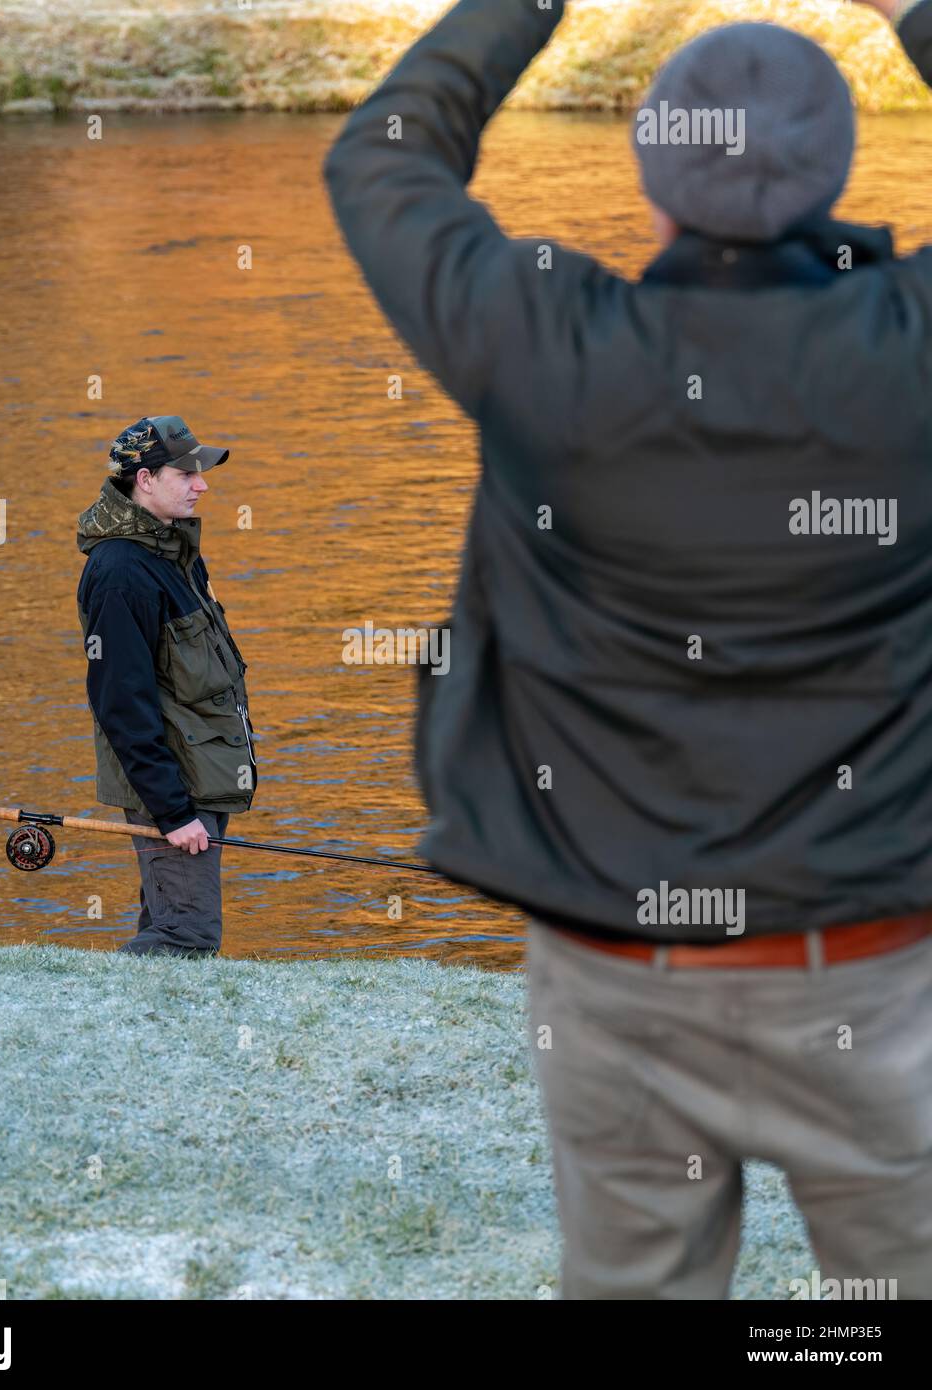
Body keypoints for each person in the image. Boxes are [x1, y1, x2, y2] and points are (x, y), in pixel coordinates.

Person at [324, 0, 932, 1297]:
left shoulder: (548, 345)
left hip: (615, 969)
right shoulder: (907, 352)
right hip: (882, 973)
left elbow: (378, 156)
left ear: (652, 176)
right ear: (837, 171)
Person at [76, 415, 258, 957]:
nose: (202, 484)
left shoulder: (172, 554)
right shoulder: (121, 571)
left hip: (201, 775)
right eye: (187, 473)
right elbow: (120, 702)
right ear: (145, 480)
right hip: (174, 789)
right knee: (185, 935)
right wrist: (172, 811)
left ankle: (139, 1033)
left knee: (170, 922)